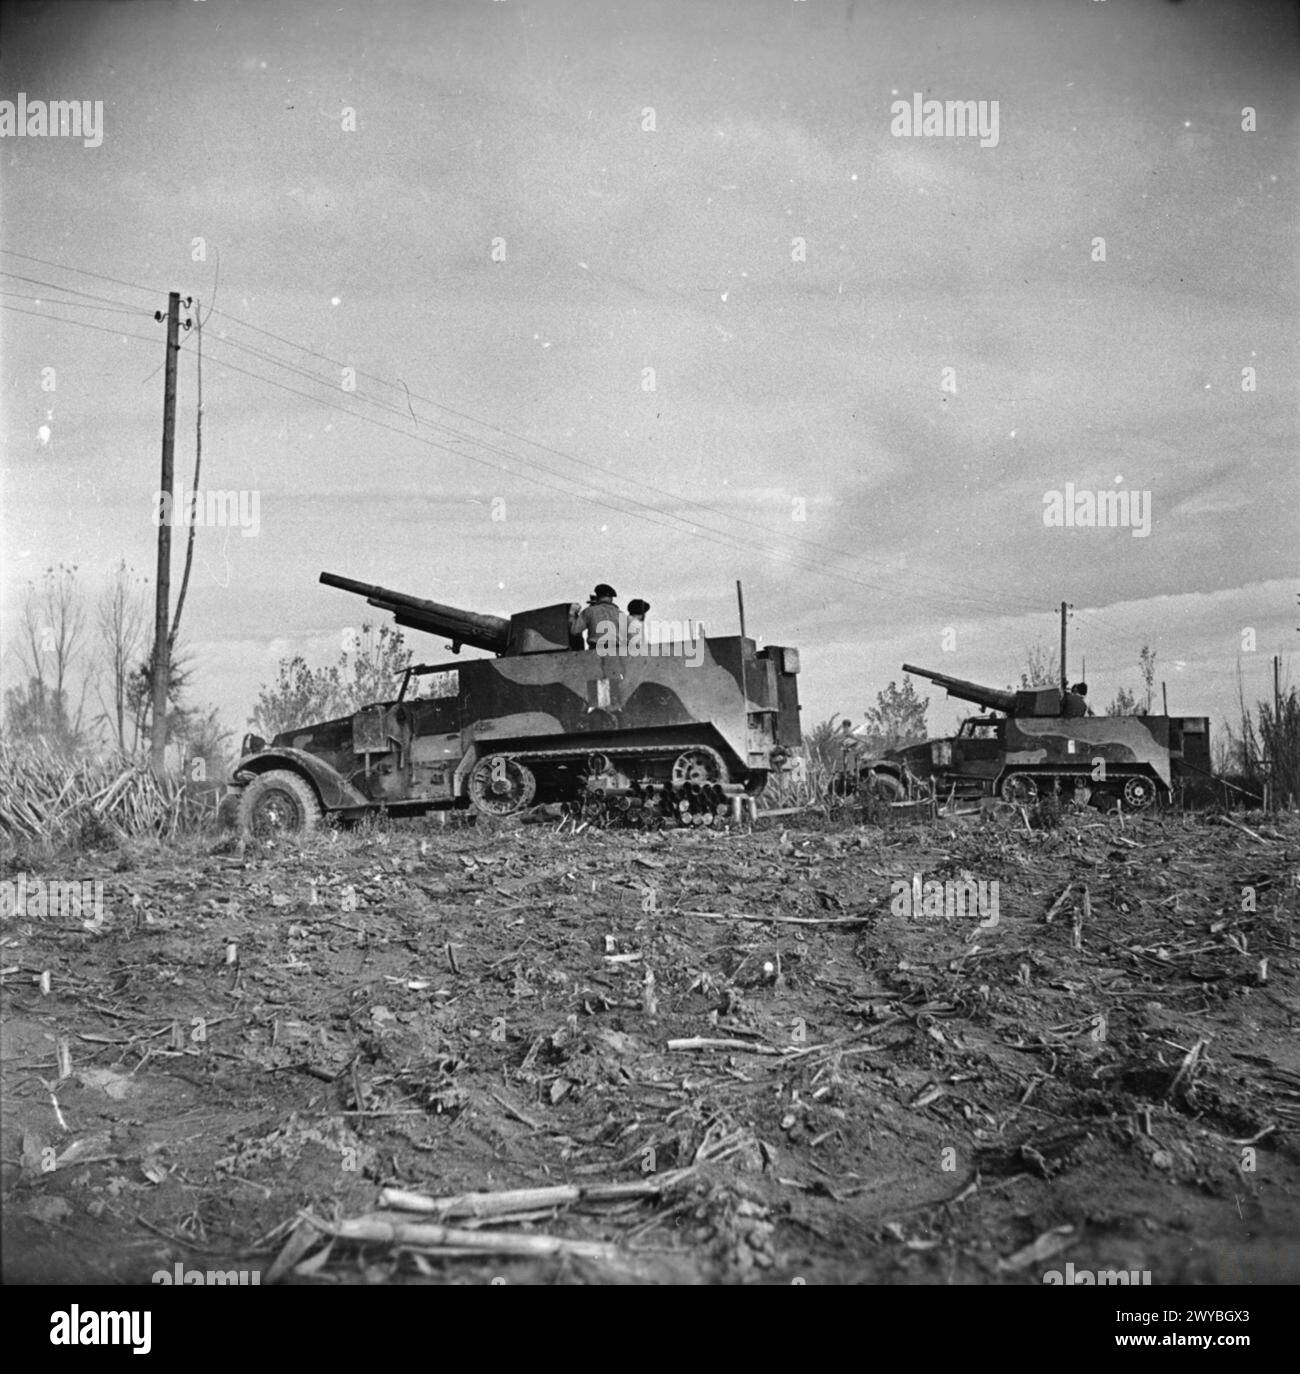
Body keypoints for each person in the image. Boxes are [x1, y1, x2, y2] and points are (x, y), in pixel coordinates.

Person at [570, 584, 621, 649]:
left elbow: (575, 631)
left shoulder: (589, 611)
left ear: (598, 597)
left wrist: (572, 613)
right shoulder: (621, 614)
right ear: (611, 598)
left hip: (596, 651)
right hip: (617, 652)